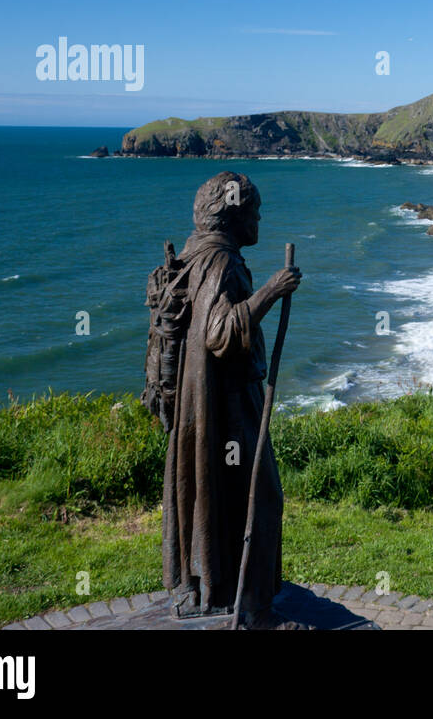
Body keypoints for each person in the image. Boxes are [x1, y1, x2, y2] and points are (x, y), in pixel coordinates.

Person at [157, 171, 300, 627]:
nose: (260, 219)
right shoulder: (223, 264)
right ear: (234, 215)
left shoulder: (194, 254)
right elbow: (221, 334)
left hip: (204, 406)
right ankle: (253, 610)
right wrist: (271, 292)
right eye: (254, 211)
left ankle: (208, 590)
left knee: (216, 495)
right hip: (229, 407)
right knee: (260, 496)